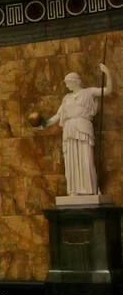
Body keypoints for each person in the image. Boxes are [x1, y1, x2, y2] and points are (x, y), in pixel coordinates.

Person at [44, 64, 112, 196]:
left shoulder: (88, 92)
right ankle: (74, 190)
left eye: (68, 83)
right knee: (71, 161)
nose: (67, 86)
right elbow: (58, 116)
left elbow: (108, 90)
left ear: (74, 82)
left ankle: (90, 189)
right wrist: (45, 124)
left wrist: (107, 73)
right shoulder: (66, 98)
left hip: (82, 128)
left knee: (85, 158)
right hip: (69, 130)